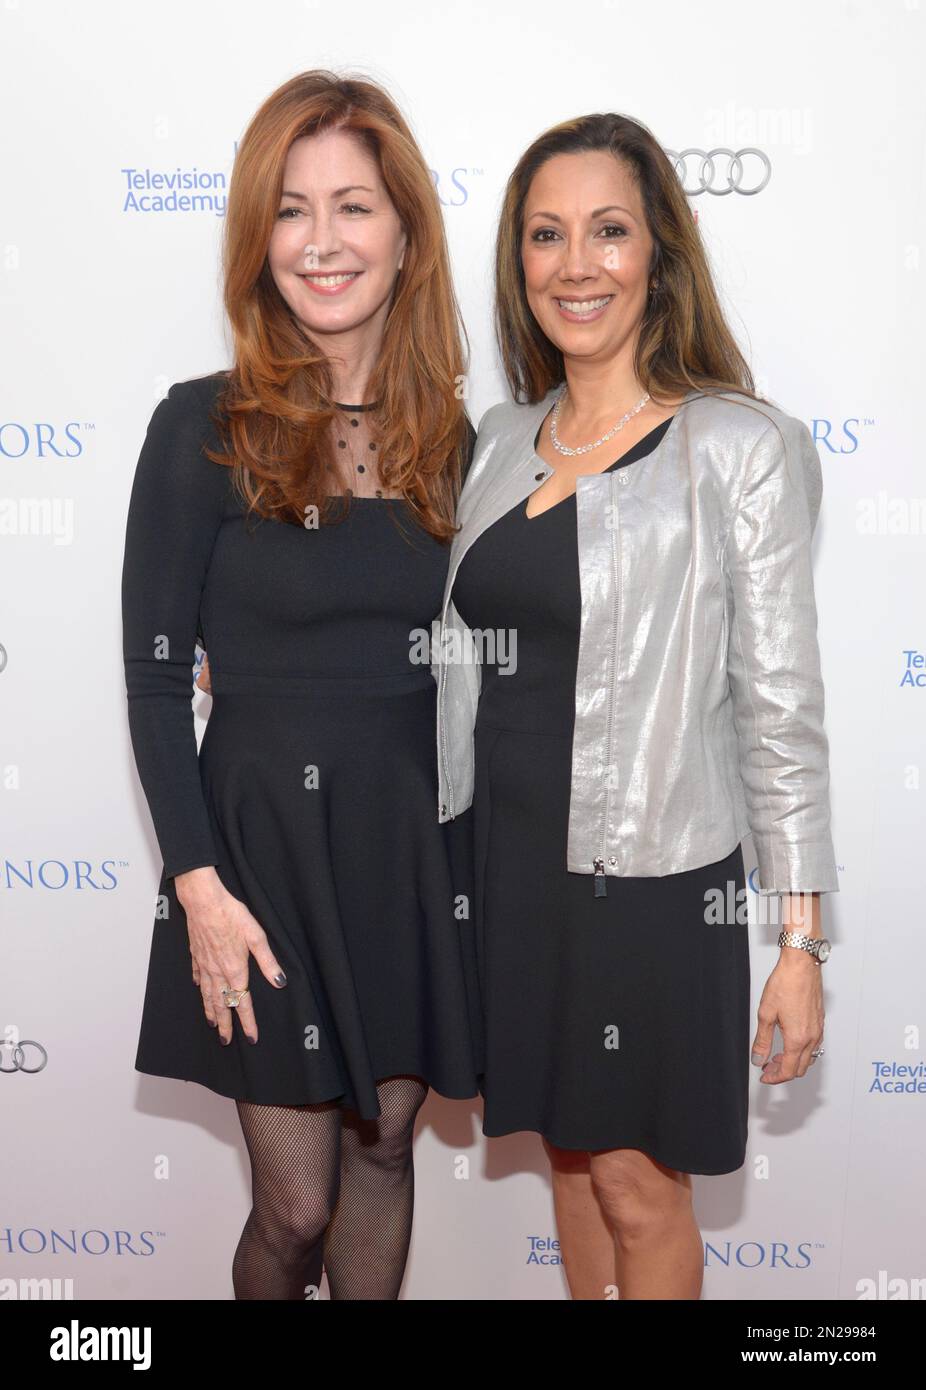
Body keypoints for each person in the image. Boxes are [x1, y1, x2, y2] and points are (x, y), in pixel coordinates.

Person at [437, 112, 839, 1299]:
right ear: (517, 262)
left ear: (657, 250)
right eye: (545, 235)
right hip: (505, 861)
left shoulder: (735, 448)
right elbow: (436, 639)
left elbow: (779, 709)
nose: (576, 264)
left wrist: (799, 938)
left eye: (607, 232)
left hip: (651, 879)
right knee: (566, 1162)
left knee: (634, 1181)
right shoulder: (498, 442)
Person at [121, 71, 483, 1301]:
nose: (322, 242)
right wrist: (198, 885)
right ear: (256, 238)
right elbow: (153, 677)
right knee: (296, 1203)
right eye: (289, 210)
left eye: (353, 207)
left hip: (406, 847)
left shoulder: (456, 442)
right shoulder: (200, 428)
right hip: (257, 855)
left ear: (406, 233)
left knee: (383, 1151)